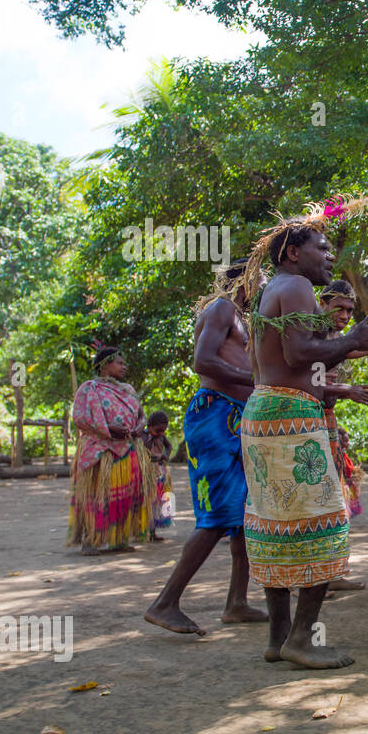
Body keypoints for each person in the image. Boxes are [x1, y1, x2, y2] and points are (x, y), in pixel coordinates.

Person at [238, 200, 368, 667]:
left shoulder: (279, 288)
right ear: (292, 252)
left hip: (269, 413)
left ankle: (277, 638)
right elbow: (299, 355)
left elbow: (297, 356)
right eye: (322, 248)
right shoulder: (293, 288)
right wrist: (355, 340)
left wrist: (347, 348)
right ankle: (301, 640)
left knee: (276, 520)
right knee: (322, 520)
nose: (331, 257)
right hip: (290, 417)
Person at [145, 261, 268, 635]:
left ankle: (237, 602)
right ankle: (165, 603)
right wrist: (257, 377)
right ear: (245, 281)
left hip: (234, 418)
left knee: (243, 517)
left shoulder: (243, 319)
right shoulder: (222, 309)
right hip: (215, 417)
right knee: (216, 517)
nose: (266, 288)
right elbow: (203, 361)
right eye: (261, 280)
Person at [318, 280, 368, 593]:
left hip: (326, 422)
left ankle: (331, 572)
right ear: (322, 303)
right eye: (339, 308)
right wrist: (352, 391)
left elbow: (351, 348)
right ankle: (311, 576)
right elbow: (313, 384)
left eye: (349, 310)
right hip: (307, 424)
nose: (345, 315)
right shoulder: (314, 335)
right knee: (318, 500)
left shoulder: (334, 338)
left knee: (334, 500)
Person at [68, 346, 153, 554]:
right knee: (98, 496)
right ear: (105, 365)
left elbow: (141, 414)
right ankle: (91, 539)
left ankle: (119, 539)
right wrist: (109, 429)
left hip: (126, 450)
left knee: (125, 496)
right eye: (120, 363)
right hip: (100, 449)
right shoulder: (89, 389)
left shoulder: (128, 389)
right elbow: (80, 418)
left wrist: (139, 426)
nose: (124, 367)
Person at [143, 411, 174, 538]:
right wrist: (155, 458)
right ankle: (143, 531)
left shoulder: (161, 437)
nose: (161, 433)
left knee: (157, 502)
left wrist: (165, 456)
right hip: (147, 473)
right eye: (158, 430)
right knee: (147, 502)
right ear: (149, 426)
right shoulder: (143, 436)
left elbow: (169, 446)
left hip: (159, 473)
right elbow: (143, 454)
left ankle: (152, 532)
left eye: (164, 430)